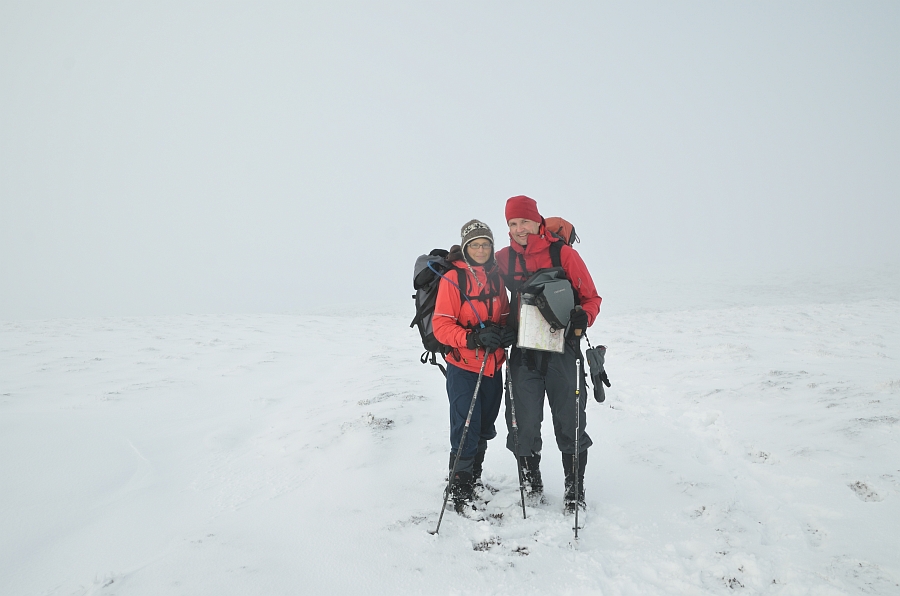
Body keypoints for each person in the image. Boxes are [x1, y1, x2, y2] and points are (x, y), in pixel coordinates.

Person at [496, 195, 602, 513]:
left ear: (537, 221)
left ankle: (574, 489)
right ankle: (531, 483)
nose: (519, 229)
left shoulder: (563, 254)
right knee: (523, 423)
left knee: (570, 420)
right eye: (512, 224)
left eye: (524, 222)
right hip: (523, 353)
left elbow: (591, 297)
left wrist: (584, 316)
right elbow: (485, 289)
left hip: (563, 351)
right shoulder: (502, 259)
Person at [431, 219, 511, 511]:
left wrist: (505, 331)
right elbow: (440, 326)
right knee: (465, 429)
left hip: (493, 366)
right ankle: (459, 489)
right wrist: (473, 338)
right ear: (466, 248)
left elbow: (502, 313)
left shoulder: (497, 277)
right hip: (464, 366)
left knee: (484, 427)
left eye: (485, 244)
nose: (480, 249)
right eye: (474, 244)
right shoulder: (453, 278)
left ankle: (473, 478)